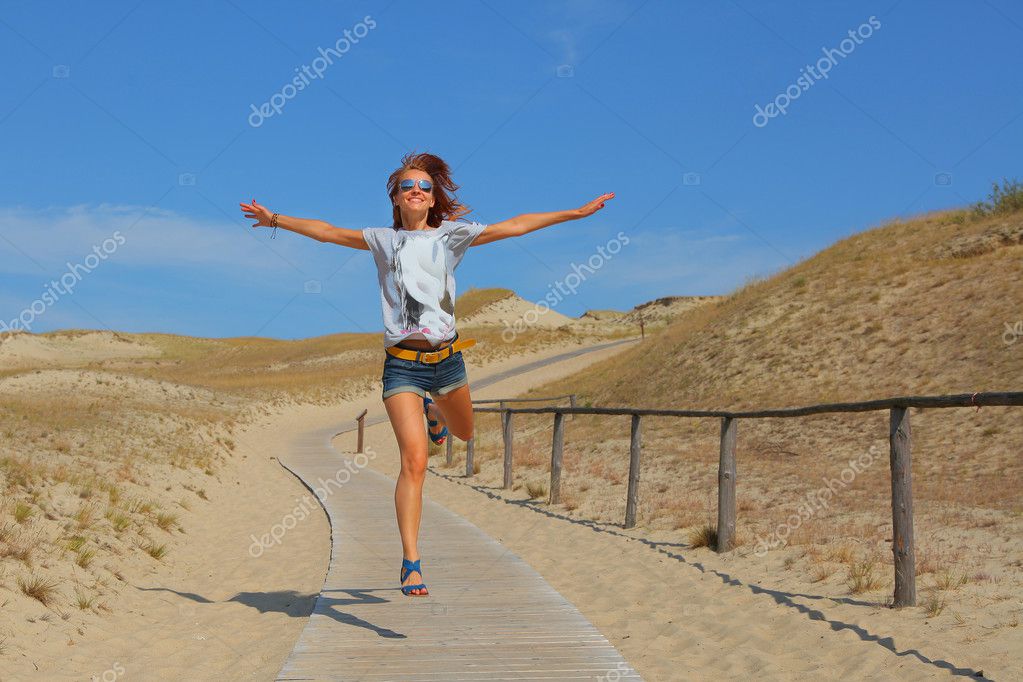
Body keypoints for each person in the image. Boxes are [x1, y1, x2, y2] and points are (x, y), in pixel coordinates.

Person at [239, 151, 613, 597]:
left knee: (465, 433)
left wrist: (575, 213)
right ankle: (411, 561)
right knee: (414, 462)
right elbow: (327, 232)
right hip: (402, 365)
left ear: (433, 198)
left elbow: (515, 225)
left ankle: (435, 414)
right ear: (396, 198)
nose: (416, 191)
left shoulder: (451, 236)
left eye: (424, 186)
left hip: (447, 361)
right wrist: (274, 219)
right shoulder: (382, 240)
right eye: (407, 186)